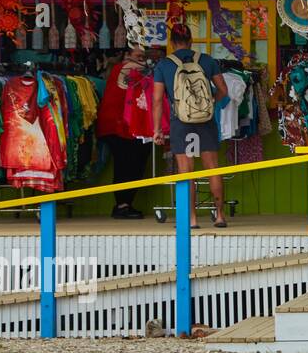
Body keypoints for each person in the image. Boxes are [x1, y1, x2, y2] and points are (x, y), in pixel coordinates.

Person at [152, 23, 230, 228]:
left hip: (182, 122)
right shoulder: (206, 60)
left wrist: (157, 129)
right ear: (191, 40)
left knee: (187, 171)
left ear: (171, 42)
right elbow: (224, 89)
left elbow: (158, 100)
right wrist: (210, 102)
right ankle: (220, 215)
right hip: (205, 121)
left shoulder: (164, 65)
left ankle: (192, 219)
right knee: (212, 168)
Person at [96, 45, 151, 219]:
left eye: (144, 56)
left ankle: (124, 203)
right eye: (139, 55)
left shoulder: (121, 70)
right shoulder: (125, 68)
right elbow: (140, 69)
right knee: (127, 165)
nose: (142, 59)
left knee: (130, 164)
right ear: (127, 55)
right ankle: (123, 205)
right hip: (120, 125)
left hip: (123, 125)